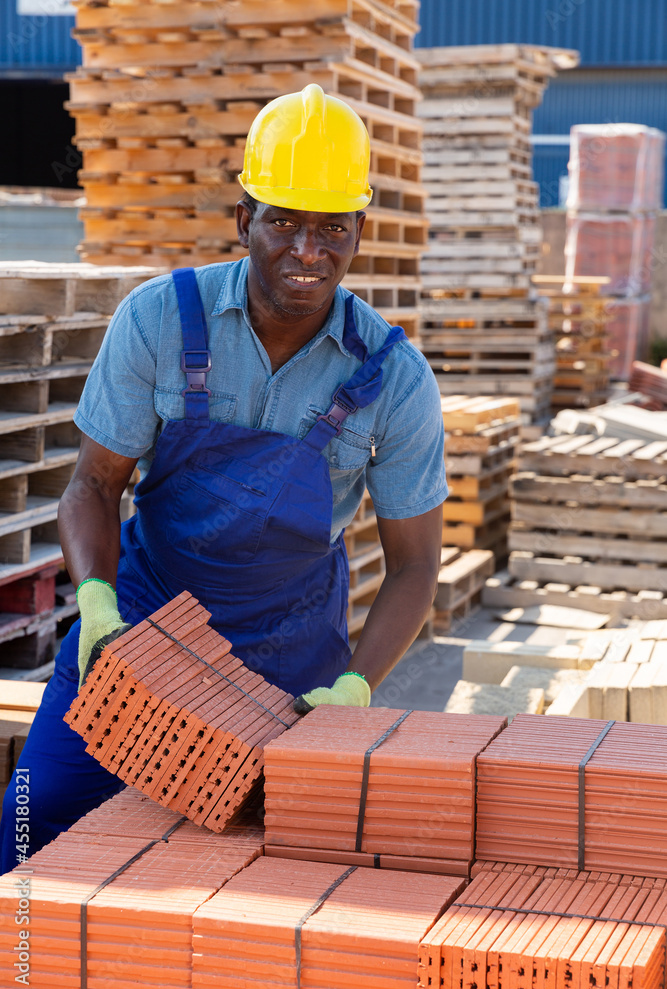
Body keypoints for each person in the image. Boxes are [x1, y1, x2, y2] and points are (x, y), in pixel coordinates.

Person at [0, 84, 446, 873]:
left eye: (330, 230)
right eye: (282, 222)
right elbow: (93, 487)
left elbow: (414, 565)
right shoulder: (160, 319)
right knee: (34, 831)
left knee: (246, 882)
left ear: (358, 233)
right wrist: (95, 605)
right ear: (243, 219)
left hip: (287, 659)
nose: (306, 252)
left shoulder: (393, 377)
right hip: (133, 630)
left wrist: (352, 690)